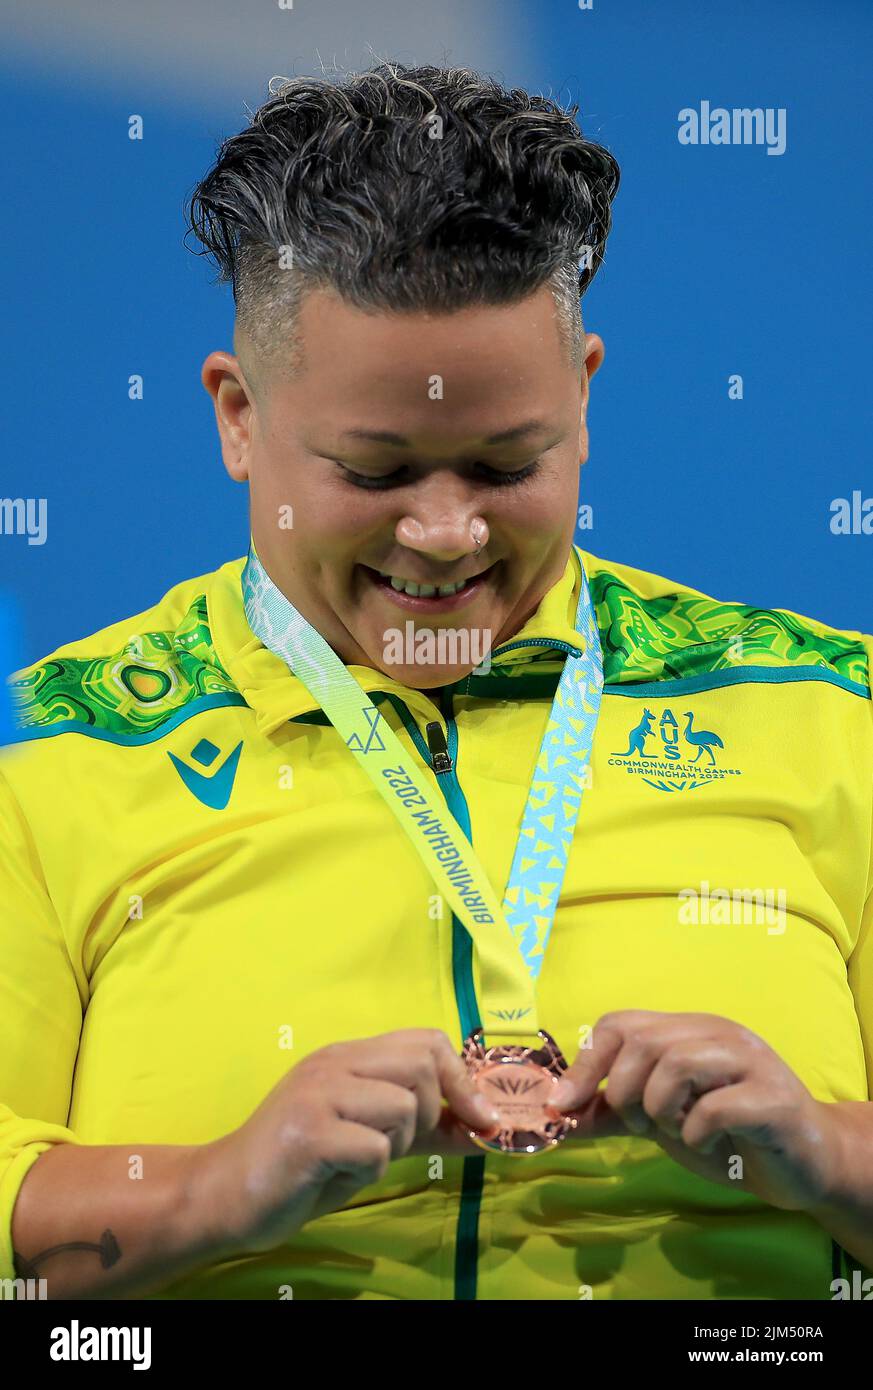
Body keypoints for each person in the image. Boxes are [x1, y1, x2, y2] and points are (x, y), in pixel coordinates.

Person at [2, 62, 872, 1303]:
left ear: (582, 396)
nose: (447, 531)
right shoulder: (45, 750)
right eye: (375, 474)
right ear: (238, 417)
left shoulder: (837, 711)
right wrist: (216, 1187)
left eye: (507, 462)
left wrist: (823, 1149)